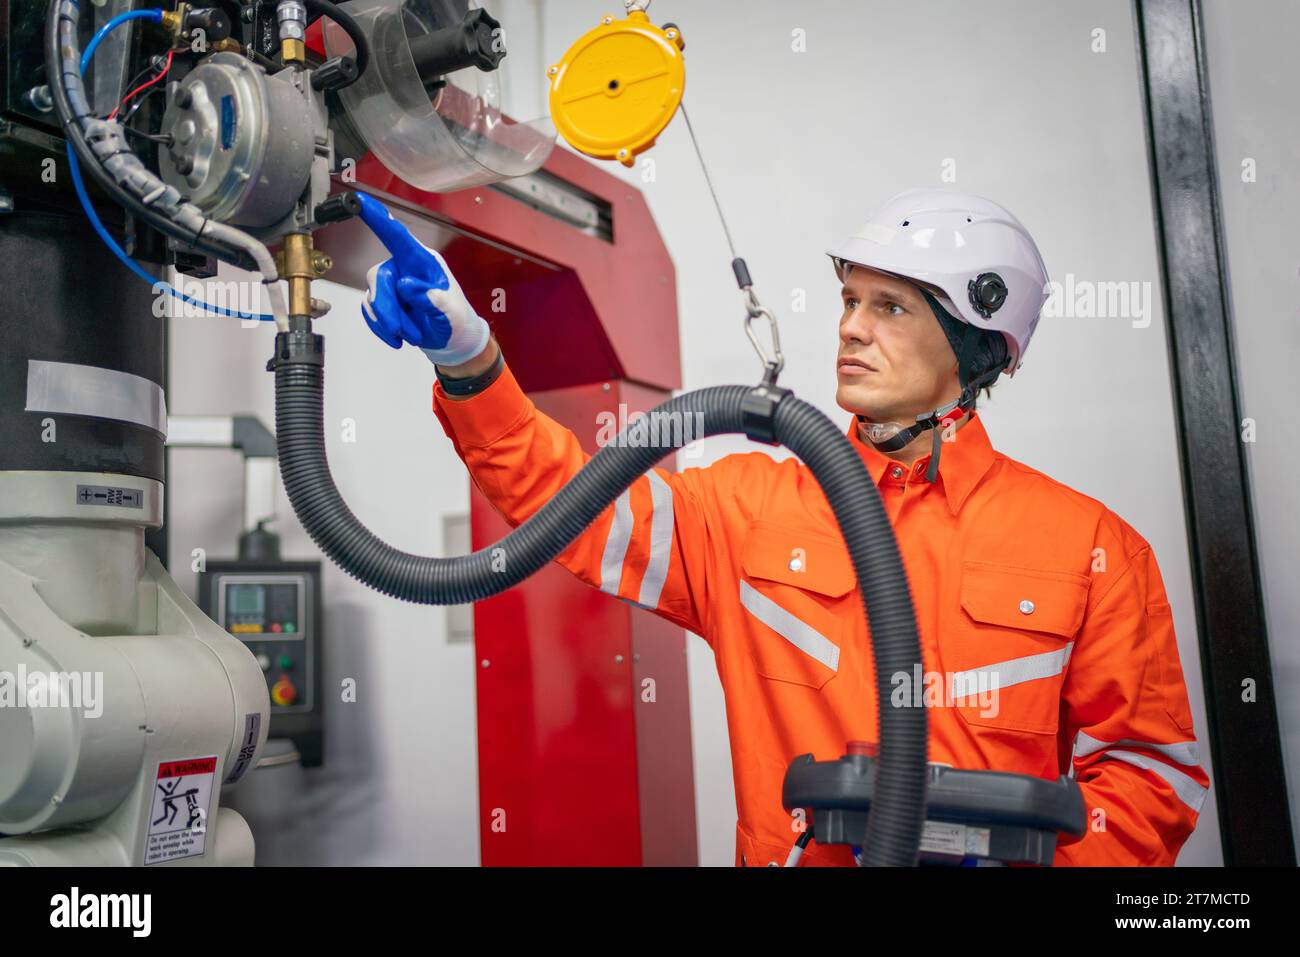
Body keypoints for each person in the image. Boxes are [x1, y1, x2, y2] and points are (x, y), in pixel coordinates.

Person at [354, 188, 1209, 866]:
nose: (850, 326)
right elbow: (577, 510)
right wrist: (471, 361)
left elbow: (1152, 774)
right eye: (848, 299)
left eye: (891, 307)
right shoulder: (748, 507)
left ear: (975, 342)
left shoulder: (1092, 547)